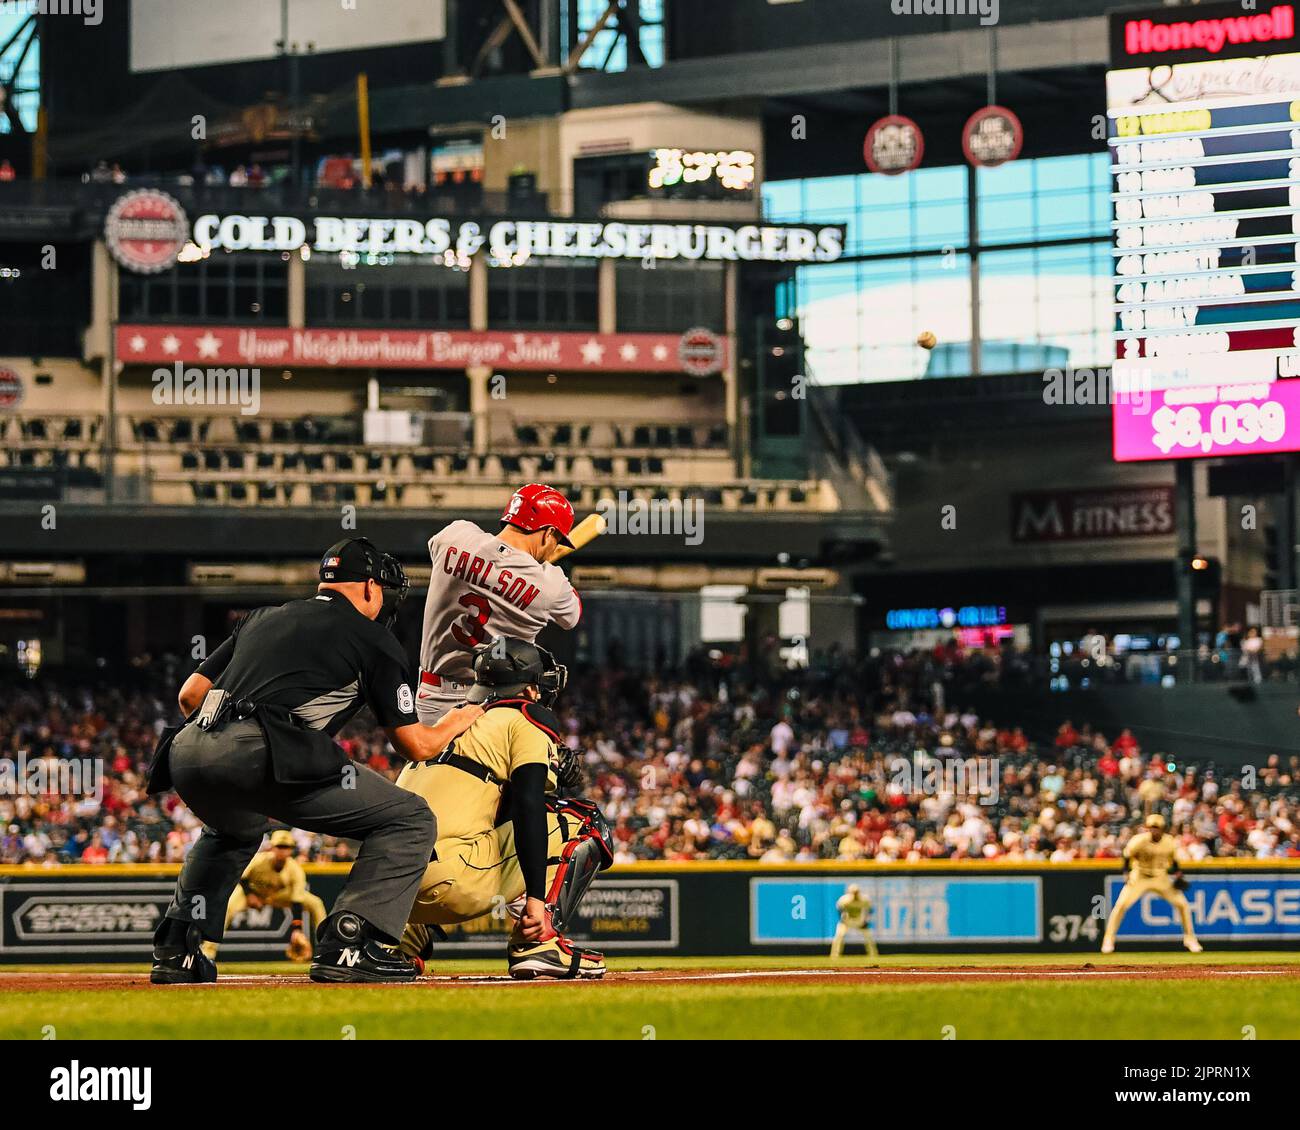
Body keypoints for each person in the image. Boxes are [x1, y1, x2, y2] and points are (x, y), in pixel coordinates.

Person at [147, 537, 482, 985]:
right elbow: (416, 745)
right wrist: (460, 718)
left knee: (233, 830)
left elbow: (190, 694)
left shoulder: (262, 617)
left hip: (187, 748)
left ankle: (178, 949)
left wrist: (224, 747)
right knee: (411, 819)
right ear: (369, 586)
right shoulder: (374, 640)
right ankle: (350, 941)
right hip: (262, 748)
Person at [397, 636, 612, 979]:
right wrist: (535, 900)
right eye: (540, 686)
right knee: (584, 821)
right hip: (450, 883)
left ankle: (404, 942)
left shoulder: (448, 721)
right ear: (529, 690)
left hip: (395, 890)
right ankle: (539, 943)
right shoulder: (526, 717)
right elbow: (528, 807)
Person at [413, 483, 582, 724]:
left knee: (432, 763)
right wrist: (545, 569)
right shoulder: (551, 584)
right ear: (548, 534)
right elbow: (572, 615)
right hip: (497, 702)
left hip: (432, 698)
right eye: (557, 540)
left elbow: (446, 552)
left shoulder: (455, 534)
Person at [200, 830, 325, 962]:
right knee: (227, 908)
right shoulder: (259, 860)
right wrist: (250, 895)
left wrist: (297, 930)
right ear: (272, 847)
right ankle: (207, 952)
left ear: (291, 850)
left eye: (286, 847)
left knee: (315, 903)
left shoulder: (295, 870)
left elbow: (296, 900)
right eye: (279, 847)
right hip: (253, 892)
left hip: (278, 896)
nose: (282, 851)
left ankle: (324, 950)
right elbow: (241, 877)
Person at [1100, 814, 1201, 954]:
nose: (1154, 830)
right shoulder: (1138, 840)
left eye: (1156, 827)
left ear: (1162, 829)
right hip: (1139, 876)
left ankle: (1190, 939)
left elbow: (1175, 861)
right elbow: (1127, 855)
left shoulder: (1169, 842)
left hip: (1161, 877)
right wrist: (1126, 872)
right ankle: (1108, 941)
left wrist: (1178, 873)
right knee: (1121, 905)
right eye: (1151, 827)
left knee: (1183, 904)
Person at [830, 883, 878, 959]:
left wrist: (866, 920)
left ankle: (873, 955)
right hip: (847, 921)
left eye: (856, 892)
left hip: (859, 921)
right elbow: (839, 909)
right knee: (839, 936)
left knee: (869, 937)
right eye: (853, 892)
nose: (855, 894)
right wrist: (842, 919)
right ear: (849, 892)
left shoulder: (864, 899)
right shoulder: (844, 900)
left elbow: (870, 910)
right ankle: (834, 956)